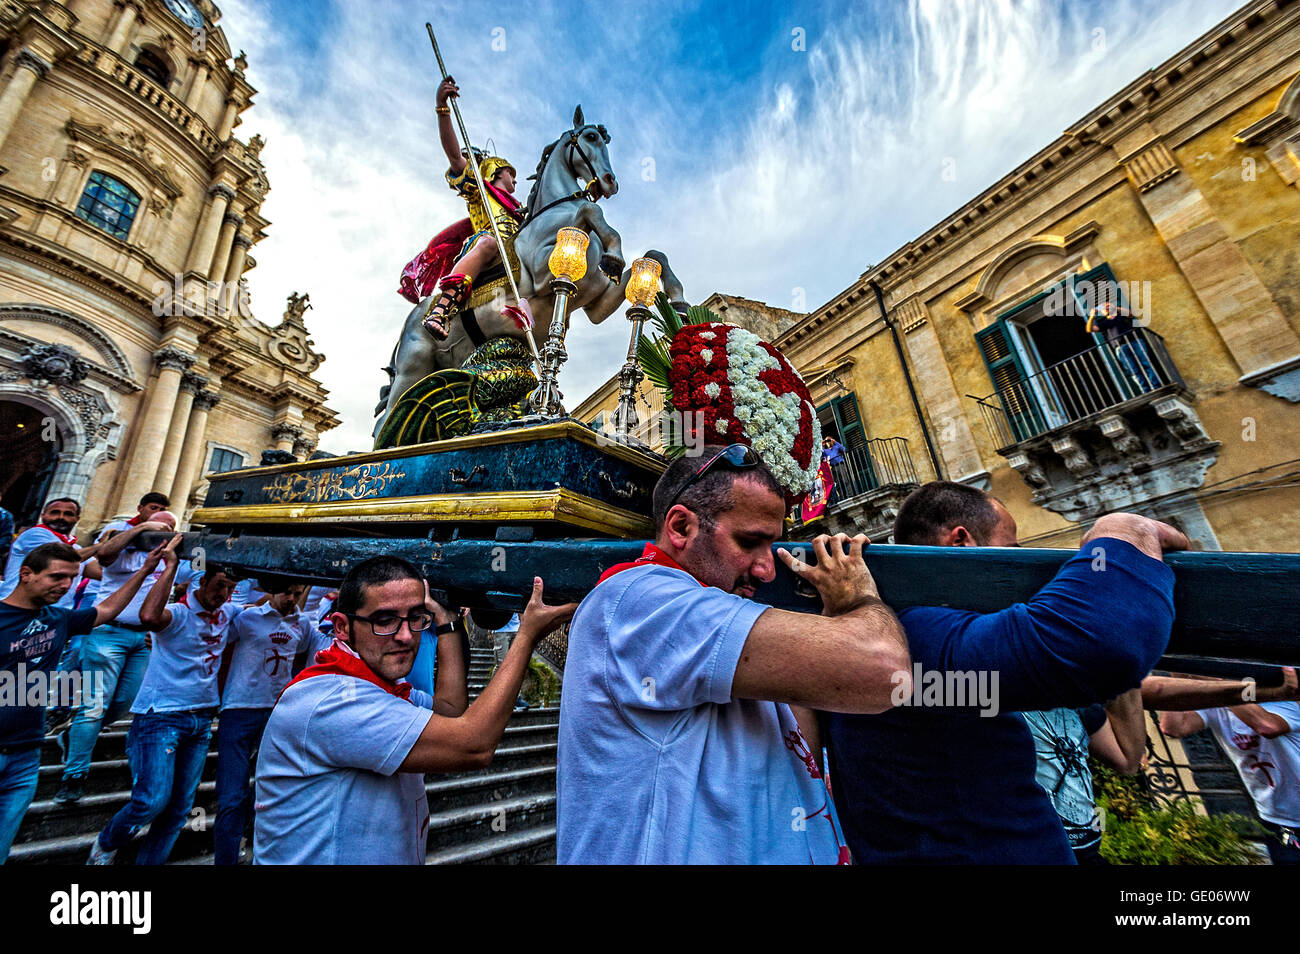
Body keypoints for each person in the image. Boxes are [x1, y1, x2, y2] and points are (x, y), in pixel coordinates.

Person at [557, 445, 910, 864]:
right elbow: (887, 674)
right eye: (749, 542)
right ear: (681, 527)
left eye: (773, 545)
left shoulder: (720, 622)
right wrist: (858, 600)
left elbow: (797, 749)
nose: (767, 570)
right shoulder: (645, 599)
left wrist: (827, 627)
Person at [825, 480, 1184, 863]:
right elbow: (1102, 641)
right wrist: (1122, 530)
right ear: (961, 542)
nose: (1019, 561)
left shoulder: (898, 632)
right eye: (1011, 549)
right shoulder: (913, 637)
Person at [252, 557, 574, 864]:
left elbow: (449, 710)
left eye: (416, 618)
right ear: (341, 627)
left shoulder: (381, 688)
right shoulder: (335, 699)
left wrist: (447, 624)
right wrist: (527, 636)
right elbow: (473, 744)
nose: (405, 636)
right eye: (385, 620)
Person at [0, 539, 171, 863]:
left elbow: (107, 610)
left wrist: (147, 569)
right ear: (26, 574)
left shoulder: (58, 618)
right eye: (56, 577)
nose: (65, 585)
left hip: (25, 754)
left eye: (70, 578)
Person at [88, 545, 238, 865]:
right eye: (218, 585)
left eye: (230, 588)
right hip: (161, 717)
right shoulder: (179, 614)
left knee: (180, 809)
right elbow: (148, 616)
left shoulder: (230, 615)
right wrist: (169, 567)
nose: (223, 594)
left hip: (201, 718)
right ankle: (106, 842)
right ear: (202, 581)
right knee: (152, 801)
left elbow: (273, 603)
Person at [56, 499, 188, 804]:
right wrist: (141, 528)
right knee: (94, 705)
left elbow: (190, 580)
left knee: (124, 702)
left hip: (142, 640)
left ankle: (73, 737)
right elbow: (103, 555)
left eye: (170, 527)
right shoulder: (122, 546)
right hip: (108, 634)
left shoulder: (170, 558)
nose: (164, 531)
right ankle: (74, 774)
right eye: (160, 525)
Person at [405, 76, 528, 341]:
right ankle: (441, 309)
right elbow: (453, 155)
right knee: (487, 243)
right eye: (511, 173)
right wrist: (442, 108)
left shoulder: (520, 209)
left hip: (516, 249)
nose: (515, 179)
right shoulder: (479, 189)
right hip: (489, 244)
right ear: (496, 170)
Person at [212, 579, 320, 865]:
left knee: (270, 789)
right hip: (239, 708)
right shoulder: (246, 618)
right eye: (287, 592)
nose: (292, 599)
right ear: (271, 591)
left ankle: (254, 844)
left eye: (297, 593)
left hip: (276, 713)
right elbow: (213, 636)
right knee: (231, 793)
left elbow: (310, 654)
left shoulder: (303, 625)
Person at [1160, 692, 1300, 865]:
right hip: (1276, 816)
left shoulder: (1280, 699)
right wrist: (1178, 679)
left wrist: (1214, 683)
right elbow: (1173, 728)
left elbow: (1268, 726)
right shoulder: (1218, 706)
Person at [1022, 692, 1146, 864]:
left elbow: (1127, 760)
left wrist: (1129, 678)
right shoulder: (987, 685)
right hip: (1026, 851)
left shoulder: (1071, 694)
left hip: (1085, 853)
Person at [0, 498, 101, 607]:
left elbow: (101, 573)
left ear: (77, 519)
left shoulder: (77, 548)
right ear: (42, 516)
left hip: (55, 615)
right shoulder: (35, 534)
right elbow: (60, 557)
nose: (61, 517)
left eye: (68, 514)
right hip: (16, 608)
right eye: (55, 512)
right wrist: (100, 545)